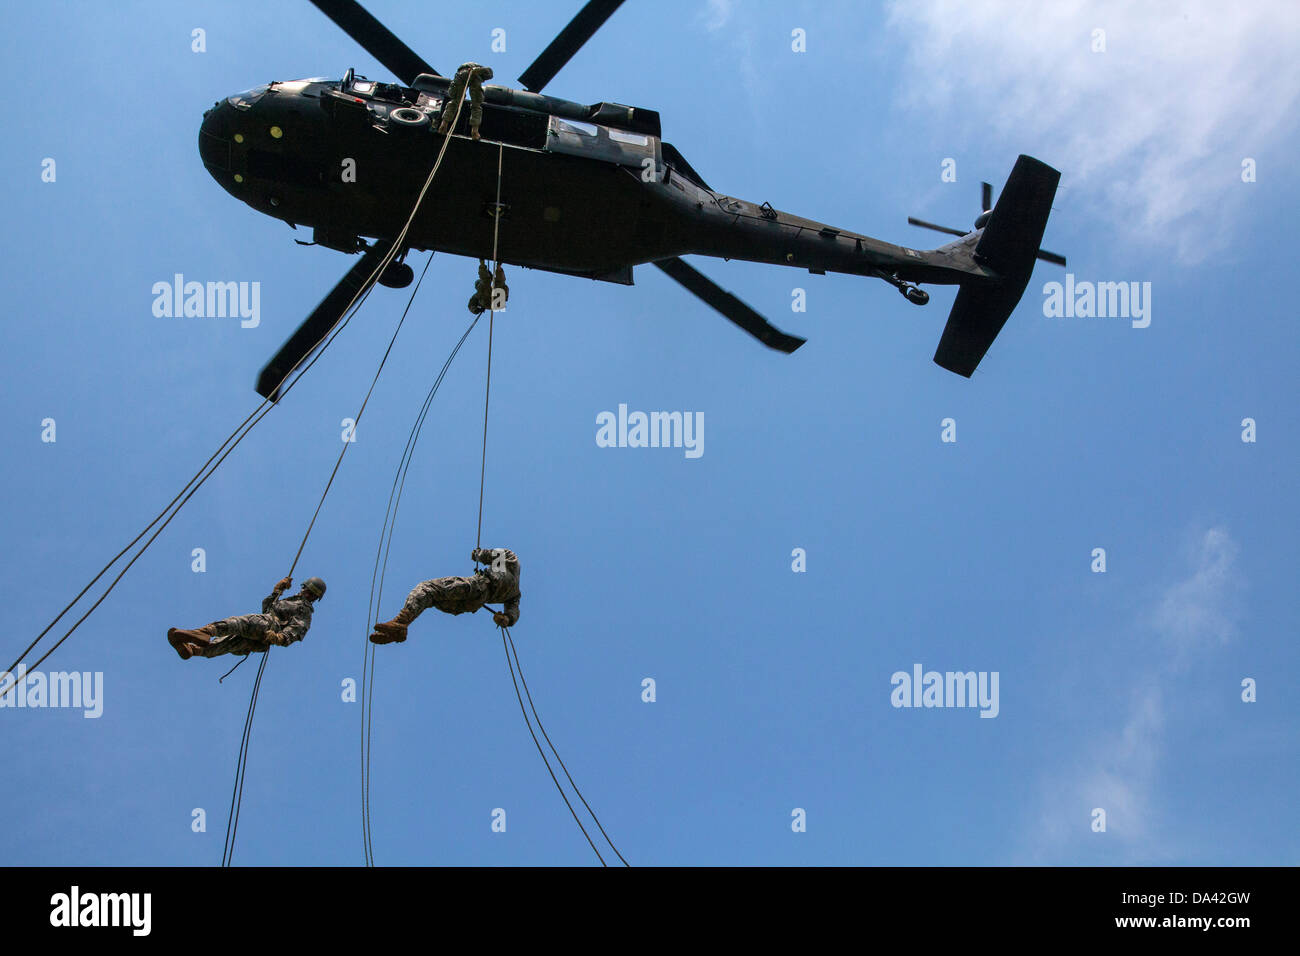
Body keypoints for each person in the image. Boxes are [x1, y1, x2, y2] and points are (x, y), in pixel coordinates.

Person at [370, 548, 520, 644]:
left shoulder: (509, 560)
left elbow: (493, 555)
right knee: (432, 597)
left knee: (427, 589)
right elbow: (513, 612)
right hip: (472, 605)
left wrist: (477, 554)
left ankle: (401, 622)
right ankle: (400, 627)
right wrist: (506, 619)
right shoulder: (515, 594)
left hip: (477, 586)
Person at [167, 576, 326, 660]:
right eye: (307, 590)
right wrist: (277, 592)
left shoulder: (304, 609)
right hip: (262, 635)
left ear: (314, 598)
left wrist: (279, 638)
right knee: (228, 643)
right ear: (303, 588)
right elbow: (268, 609)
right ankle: (193, 650)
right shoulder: (291, 601)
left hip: (269, 628)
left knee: (240, 622)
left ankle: (205, 632)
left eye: (312, 594)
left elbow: (297, 630)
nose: (308, 594)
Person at [438, 62, 494, 140]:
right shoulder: (484, 71)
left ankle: (444, 124)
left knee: (455, 101)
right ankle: (475, 131)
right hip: (475, 75)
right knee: (476, 105)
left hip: (462, 74)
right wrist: (476, 71)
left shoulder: (466, 67)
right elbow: (489, 72)